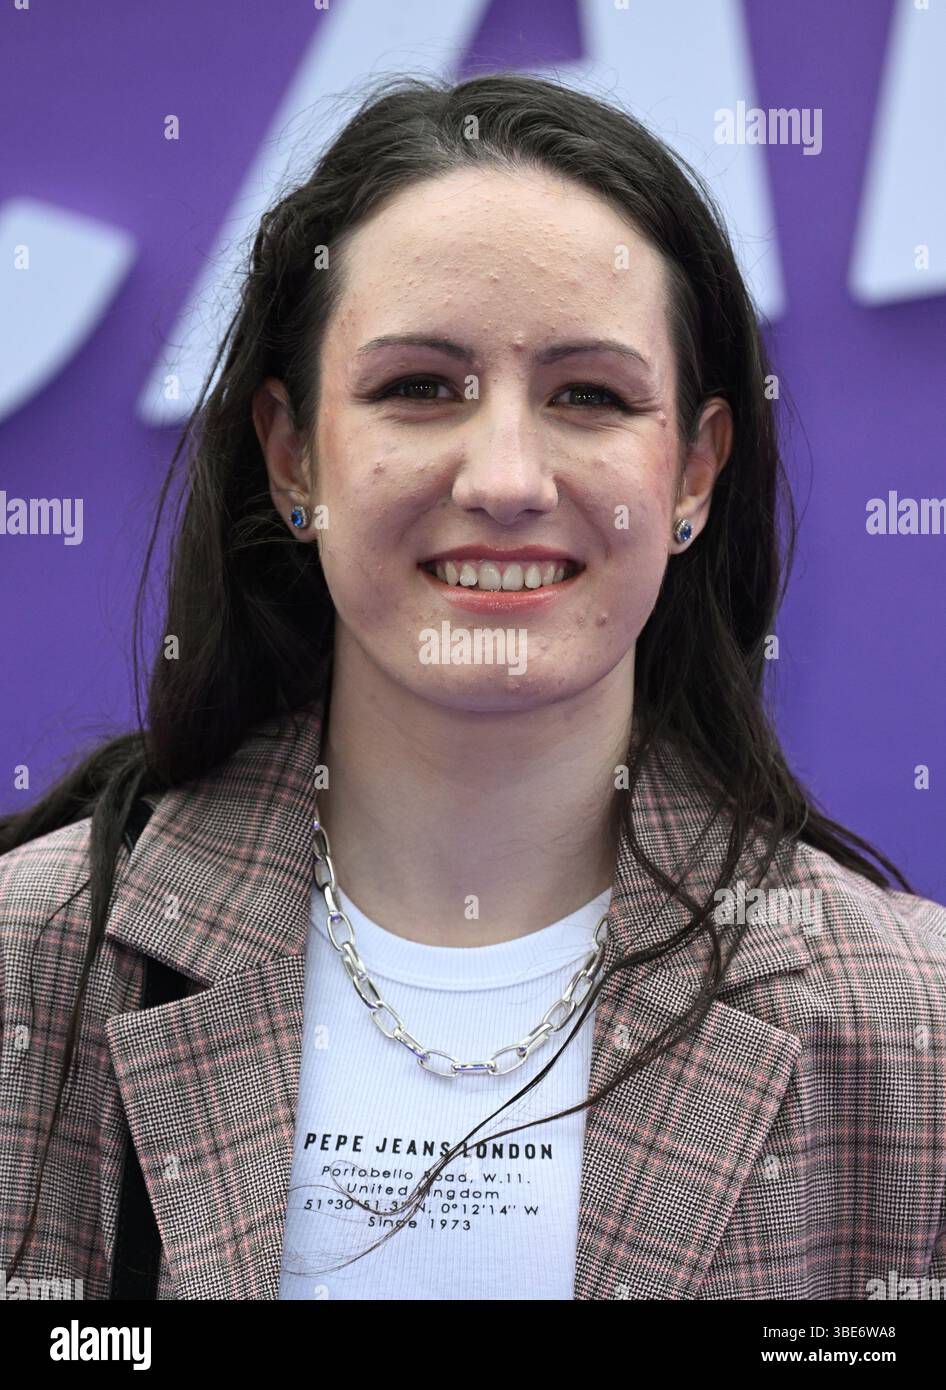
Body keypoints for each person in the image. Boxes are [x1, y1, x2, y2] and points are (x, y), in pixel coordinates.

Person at [1, 72, 944, 1302]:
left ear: (695, 473)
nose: (504, 476)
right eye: (418, 387)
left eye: (589, 396)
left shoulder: (910, 1026)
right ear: (293, 457)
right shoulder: (36, 963)